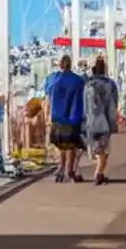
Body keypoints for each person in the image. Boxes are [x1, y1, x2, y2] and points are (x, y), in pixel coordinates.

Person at [47, 54, 86, 182]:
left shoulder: (54, 80)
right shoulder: (78, 81)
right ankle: (69, 170)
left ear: (60, 65)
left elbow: (49, 97)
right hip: (72, 118)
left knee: (62, 145)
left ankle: (61, 167)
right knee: (71, 146)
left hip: (58, 118)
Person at [84, 56, 119, 185]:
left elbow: (85, 106)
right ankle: (98, 173)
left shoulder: (88, 85)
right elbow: (115, 102)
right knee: (104, 149)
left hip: (91, 121)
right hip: (106, 122)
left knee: (97, 150)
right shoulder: (110, 84)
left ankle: (100, 172)